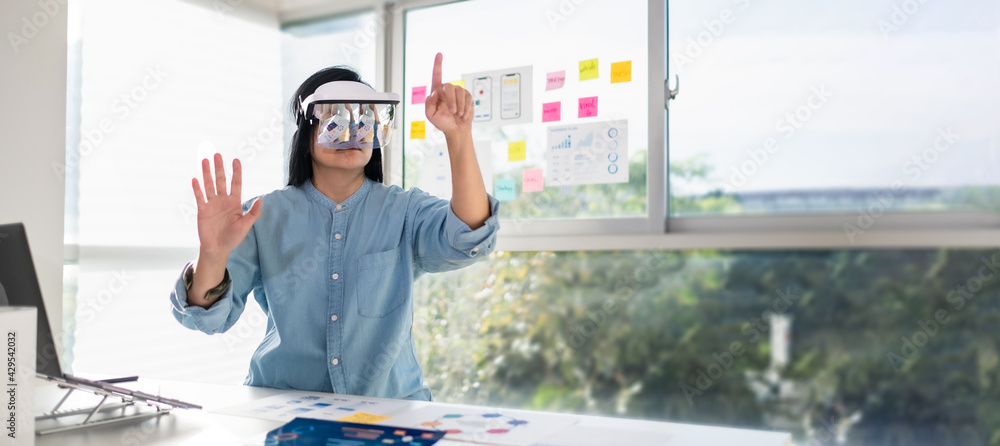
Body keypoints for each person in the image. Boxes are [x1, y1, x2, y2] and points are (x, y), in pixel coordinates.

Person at [169, 53, 498, 400]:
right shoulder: (264, 215)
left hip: (390, 411)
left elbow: (468, 235)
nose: (353, 130)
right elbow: (207, 319)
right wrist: (213, 254)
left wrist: (458, 136)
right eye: (335, 118)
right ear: (307, 129)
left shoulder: (404, 210)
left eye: (365, 119)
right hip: (283, 406)